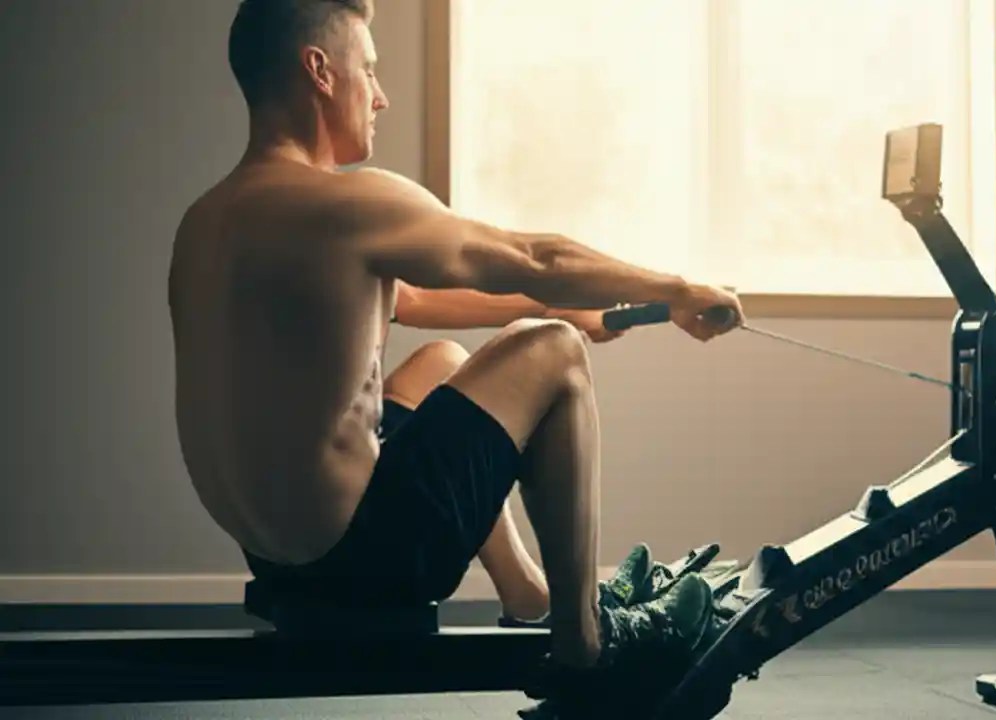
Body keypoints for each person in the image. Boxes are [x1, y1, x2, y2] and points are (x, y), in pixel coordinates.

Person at [167, 0, 743, 683]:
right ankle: (585, 640)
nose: (379, 98)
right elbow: (536, 257)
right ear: (320, 71)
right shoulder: (345, 204)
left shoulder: (209, 220)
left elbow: (405, 300)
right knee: (551, 348)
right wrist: (675, 289)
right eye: (368, 71)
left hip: (273, 558)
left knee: (443, 364)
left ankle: (529, 595)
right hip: (364, 558)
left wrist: (578, 305)